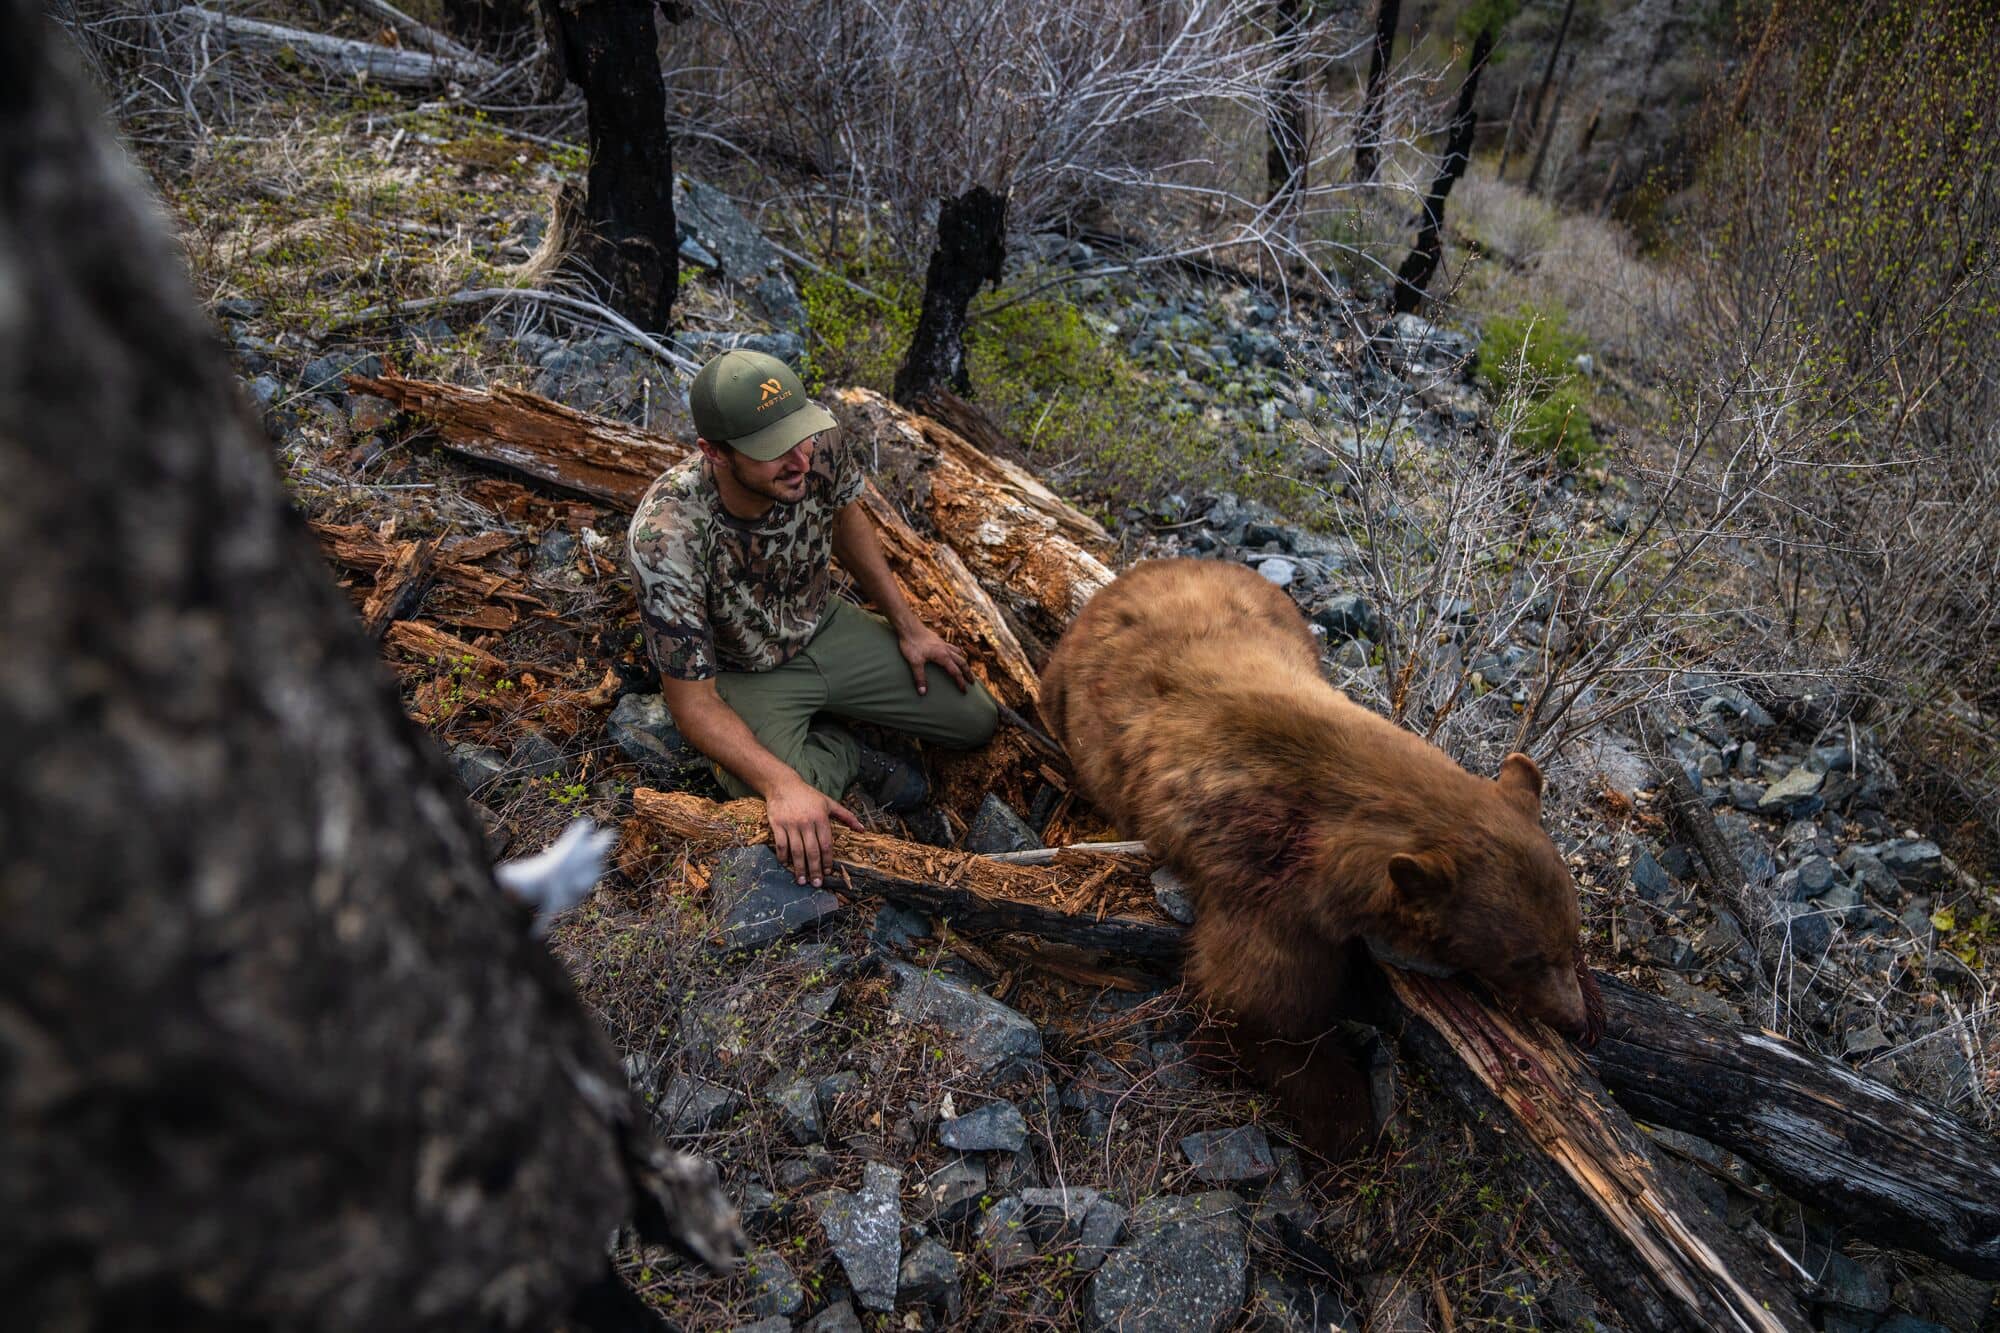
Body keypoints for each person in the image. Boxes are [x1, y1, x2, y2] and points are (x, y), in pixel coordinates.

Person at [628, 349, 998, 887]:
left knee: (974, 718)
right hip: (741, 672)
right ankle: (846, 751)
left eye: (799, 436)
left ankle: (827, 726)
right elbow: (692, 706)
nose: (799, 459)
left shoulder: (815, 442)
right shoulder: (667, 538)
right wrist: (781, 786)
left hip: (820, 626)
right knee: (783, 793)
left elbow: (847, 518)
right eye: (771, 450)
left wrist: (908, 627)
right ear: (715, 453)